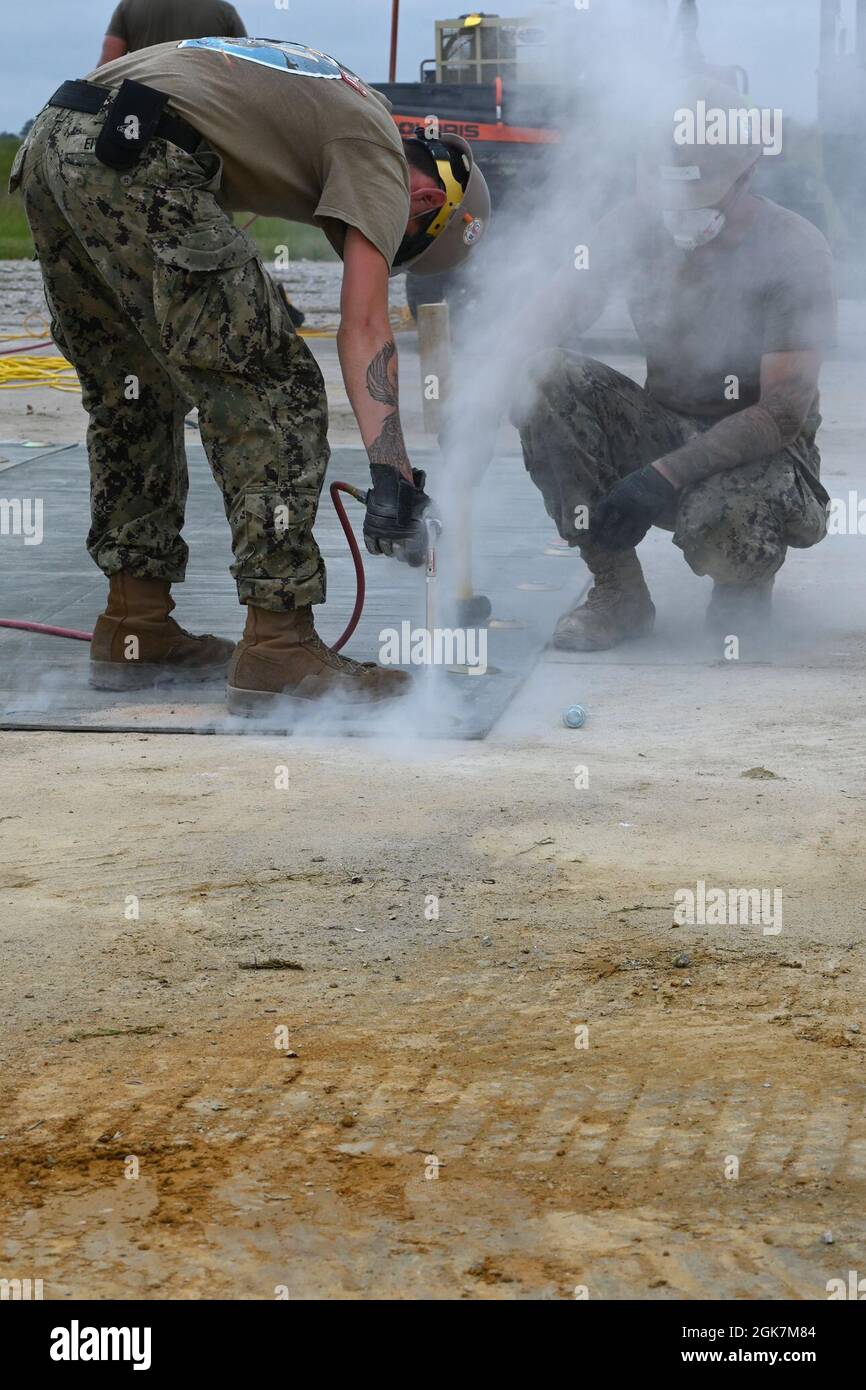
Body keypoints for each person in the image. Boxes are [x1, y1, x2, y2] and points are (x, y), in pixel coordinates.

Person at [10, 37, 490, 709]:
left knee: (136, 391)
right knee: (276, 388)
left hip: (54, 143)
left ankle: (136, 624)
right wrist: (394, 477)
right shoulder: (382, 155)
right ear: (425, 205)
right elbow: (365, 327)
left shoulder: (327, 100)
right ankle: (279, 644)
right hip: (144, 152)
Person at [512, 78, 835, 650]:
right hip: (663, 421)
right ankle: (618, 593)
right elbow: (555, 311)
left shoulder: (794, 248)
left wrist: (662, 477)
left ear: (746, 175)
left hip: (762, 446)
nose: (683, 216)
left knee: (727, 541)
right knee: (544, 376)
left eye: (703, 199)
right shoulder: (634, 225)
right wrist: (494, 375)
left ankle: (742, 586)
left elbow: (783, 412)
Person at [97, 0, 247, 67]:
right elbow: (243, 65)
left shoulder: (129, 5)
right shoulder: (224, 11)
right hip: (202, 109)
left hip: (144, 106)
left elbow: (108, 64)